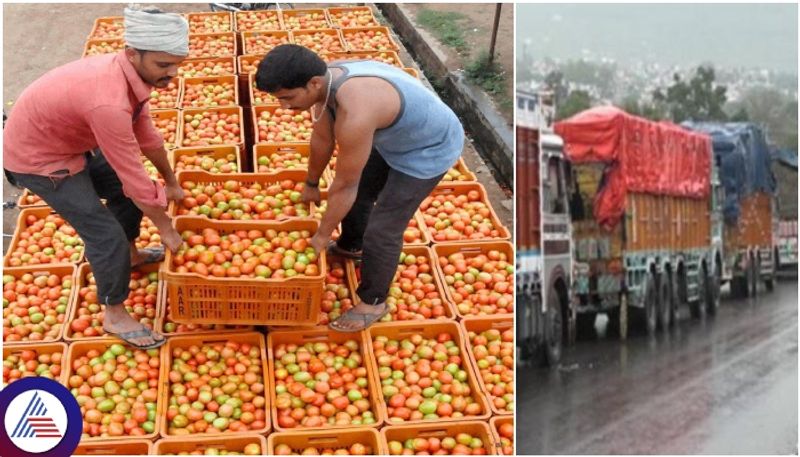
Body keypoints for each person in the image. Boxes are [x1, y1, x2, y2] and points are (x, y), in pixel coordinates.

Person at [3, 6, 190, 349]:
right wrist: (166, 229)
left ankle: (131, 256)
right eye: (163, 65)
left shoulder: (130, 75)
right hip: (39, 160)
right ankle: (114, 313)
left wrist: (171, 180)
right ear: (133, 54)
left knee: (123, 193)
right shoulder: (108, 102)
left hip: (70, 142)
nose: (172, 73)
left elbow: (148, 138)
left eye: (177, 63)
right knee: (105, 235)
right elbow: (133, 177)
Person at [256, 44, 465, 332]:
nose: (284, 106)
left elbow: (344, 186)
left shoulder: (356, 111)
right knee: (363, 193)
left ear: (313, 84)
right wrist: (311, 183)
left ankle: (373, 302)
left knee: (384, 228)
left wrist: (321, 234)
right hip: (393, 135)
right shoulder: (324, 82)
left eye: (288, 98)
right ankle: (351, 245)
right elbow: (321, 139)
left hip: (427, 148)